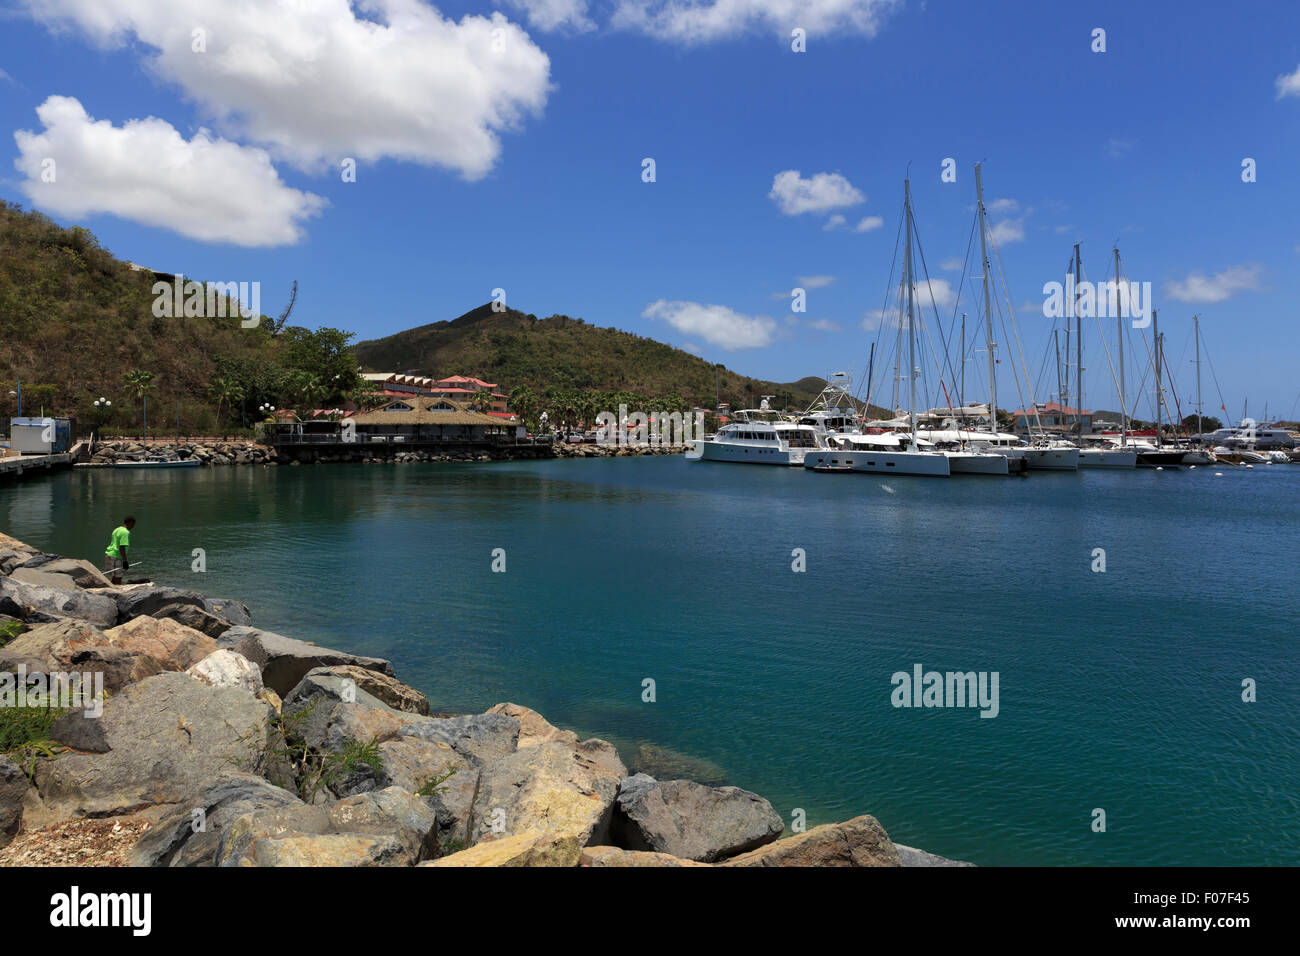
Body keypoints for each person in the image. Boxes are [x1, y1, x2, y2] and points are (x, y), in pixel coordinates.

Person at [104, 515, 135, 584]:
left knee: (113, 577)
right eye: (133, 525)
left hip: (109, 555)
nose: (132, 527)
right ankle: (116, 593)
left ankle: (111, 591)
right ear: (130, 523)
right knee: (118, 578)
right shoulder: (125, 532)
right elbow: (122, 547)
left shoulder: (116, 529)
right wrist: (124, 561)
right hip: (116, 557)